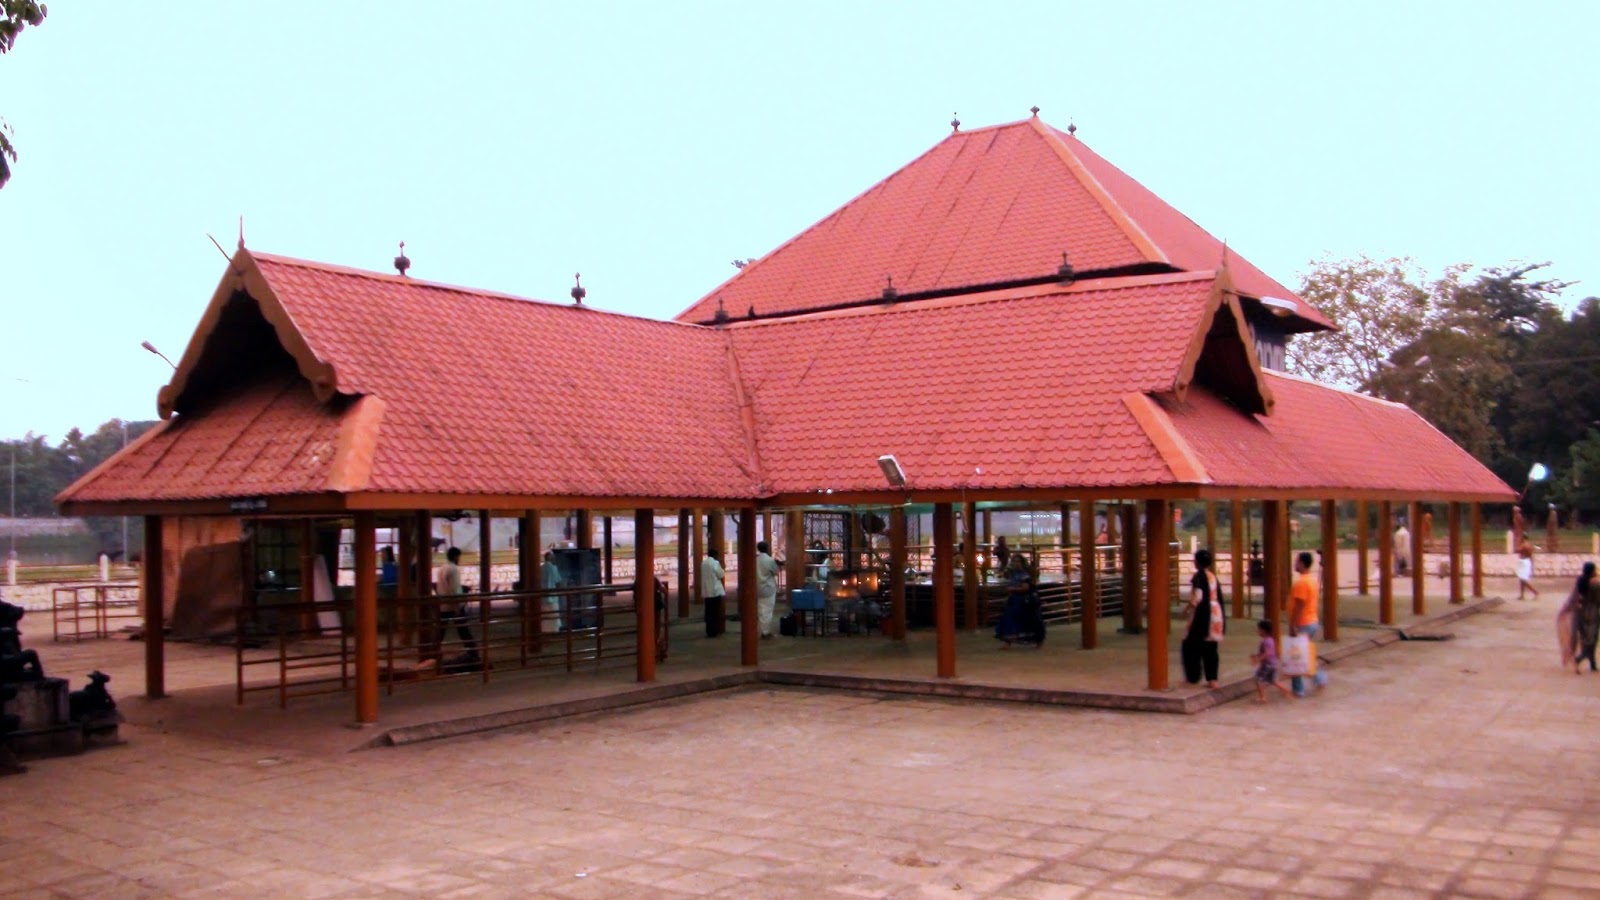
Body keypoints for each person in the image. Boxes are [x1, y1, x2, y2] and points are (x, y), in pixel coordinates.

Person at [1182, 548, 1225, 687]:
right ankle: (1213, 679)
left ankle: (1192, 676)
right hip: (1216, 613)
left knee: (1190, 644)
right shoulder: (1213, 576)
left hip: (1203, 614)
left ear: (1197, 562)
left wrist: (1187, 610)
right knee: (1211, 646)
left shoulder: (1199, 576)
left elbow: (1197, 597)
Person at [1287, 551, 1327, 696]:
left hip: (1302, 622)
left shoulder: (1301, 583)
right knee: (1304, 654)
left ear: (1302, 564)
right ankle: (1319, 678)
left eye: (1297, 561)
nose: (1295, 564)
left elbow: (1299, 606)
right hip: (1311, 620)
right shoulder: (1311, 580)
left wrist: (1293, 625)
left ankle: (1298, 689)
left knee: (1295, 657)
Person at [436, 547, 479, 666]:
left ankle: (432, 651)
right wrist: (458, 604)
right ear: (456, 557)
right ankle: (473, 652)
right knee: (464, 630)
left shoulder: (442, 568)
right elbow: (455, 589)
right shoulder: (454, 569)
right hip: (453, 605)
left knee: (441, 631)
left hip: (443, 603)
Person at [994, 552, 1042, 646]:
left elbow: (1026, 588)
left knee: (1026, 620)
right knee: (1008, 619)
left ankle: (1036, 640)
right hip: (1013, 599)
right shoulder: (1013, 574)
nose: (1016, 563)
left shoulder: (1024, 575)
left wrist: (1013, 589)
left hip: (1022, 600)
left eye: (1018, 561)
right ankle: (1008, 641)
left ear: (1022, 563)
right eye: (1014, 561)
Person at [1251, 620, 1295, 703]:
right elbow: (1266, 652)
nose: (1258, 631)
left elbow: (1267, 653)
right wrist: (1257, 655)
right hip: (1273, 664)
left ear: (1263, 631)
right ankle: (1286, 691)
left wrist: (1258, 660)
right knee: (1274, 681)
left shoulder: (1265, 641)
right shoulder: (1271, 640)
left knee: (1258, 679)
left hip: (1267, 664)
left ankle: (1263, 697)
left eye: (1259, 629)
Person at [1569, 562, 1600, 674]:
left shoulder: (1581, 580)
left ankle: (1593, 664)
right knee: (1591, 640)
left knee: (1586, 638)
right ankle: (1579, 659)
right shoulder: (1594, 584)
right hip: (1592, 613)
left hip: (1581, 613)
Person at [755, 541, 782, 640]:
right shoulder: (769, 560)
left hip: (757, 588)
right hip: (768, 588)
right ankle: (765, 632)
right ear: (767, 548)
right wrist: (777, 564)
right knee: (767, 611)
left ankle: (762, 630)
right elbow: (776, 572)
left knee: (761, 610)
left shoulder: (756, 560)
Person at [700, 547, 726, 637]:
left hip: (707, 591)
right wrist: (723, 567)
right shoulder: (715, 563)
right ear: (715, 555)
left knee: (708, 612)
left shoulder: (703, 563)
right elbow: (721, 574)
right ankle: (714, 631)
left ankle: (709, 631)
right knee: (715, 612)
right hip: (715, 591)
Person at [540, 549, 563, 632]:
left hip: (542, 596)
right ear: (551, 558)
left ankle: (544, 631)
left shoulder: (541, 568)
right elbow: (558, 581)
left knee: (544, 616)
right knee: (554, 615)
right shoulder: (554, 568)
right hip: (552, 596)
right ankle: (553, 631)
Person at [1516, 535, 1539, 601]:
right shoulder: (1529, 545)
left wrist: (1518, 544)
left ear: (1523, 538)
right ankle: (1522, 595)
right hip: (1526, 561)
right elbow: (1531, 555)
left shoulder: (1524, 545)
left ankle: (1535, 592)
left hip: (1523, 562)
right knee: (1521, 579)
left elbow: (1517, 550)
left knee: (1523, 580)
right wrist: (1531, 564)